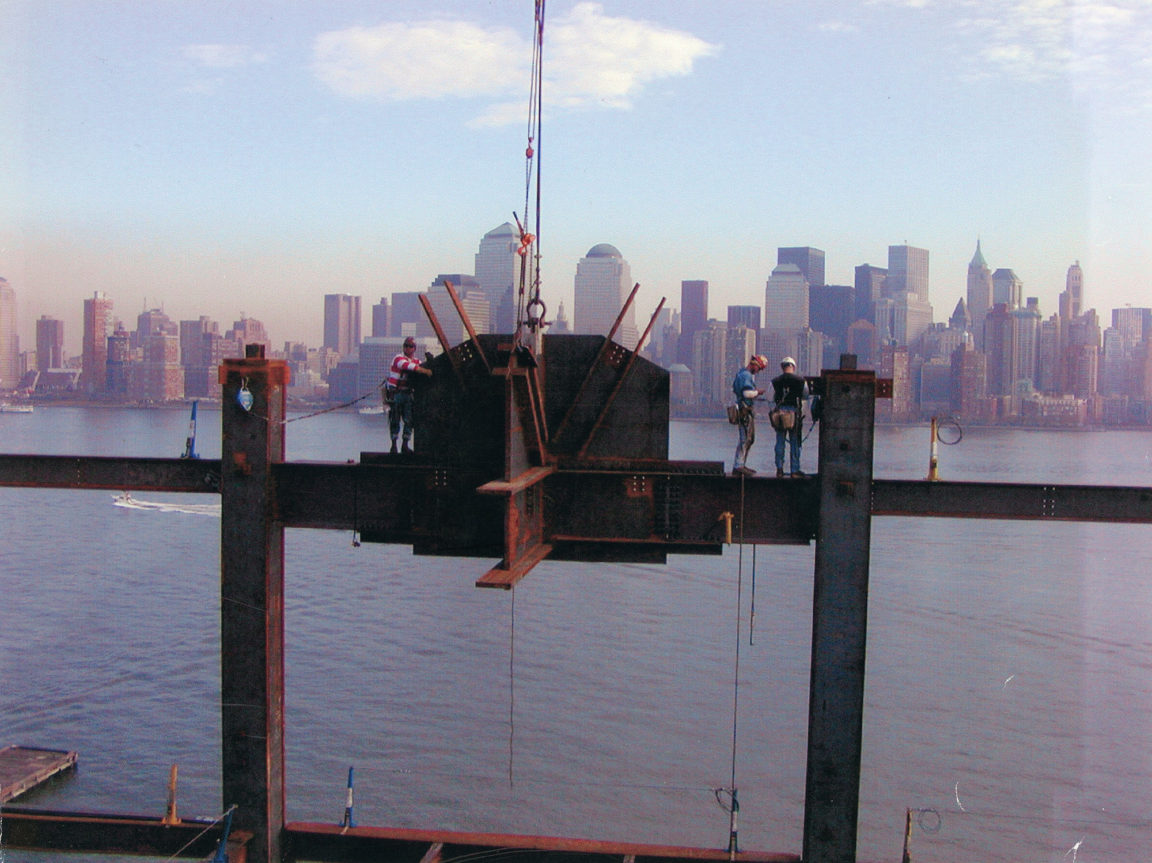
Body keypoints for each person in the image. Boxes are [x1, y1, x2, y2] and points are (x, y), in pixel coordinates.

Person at [384, 337, 432, 453]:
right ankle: (394, 445)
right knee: (395, 420)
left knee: (409, 420)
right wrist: (424, 371)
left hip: (408, 394)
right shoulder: (398, 358)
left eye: (410, 346)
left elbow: (420, 366)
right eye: (406, 345)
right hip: (396, 394)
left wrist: (430, 363)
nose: (407, 348)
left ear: (414, 348)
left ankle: (405, 444)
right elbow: (407, 366)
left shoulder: (417, 361)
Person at [771, 356, 808, 477]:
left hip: (780, 413)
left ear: (783, 367)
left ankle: (779, 469)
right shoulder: (801, 381)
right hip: (794, 413)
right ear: (792, 366)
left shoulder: (775, 381)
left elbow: (769, 397)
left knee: (780, 441)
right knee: (795, 442)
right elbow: (806, 396)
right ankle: (794, 470)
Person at [731, 354, 768, 476]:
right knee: (745, 439)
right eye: (759, 368)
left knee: (748, 439)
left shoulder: (741, 373)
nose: (758, 371)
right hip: (745, 411)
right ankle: (739, 465)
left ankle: (741, 464)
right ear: (755, 364)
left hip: (743, 409)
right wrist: (759, 392)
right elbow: (747, 393)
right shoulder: (746, 375)